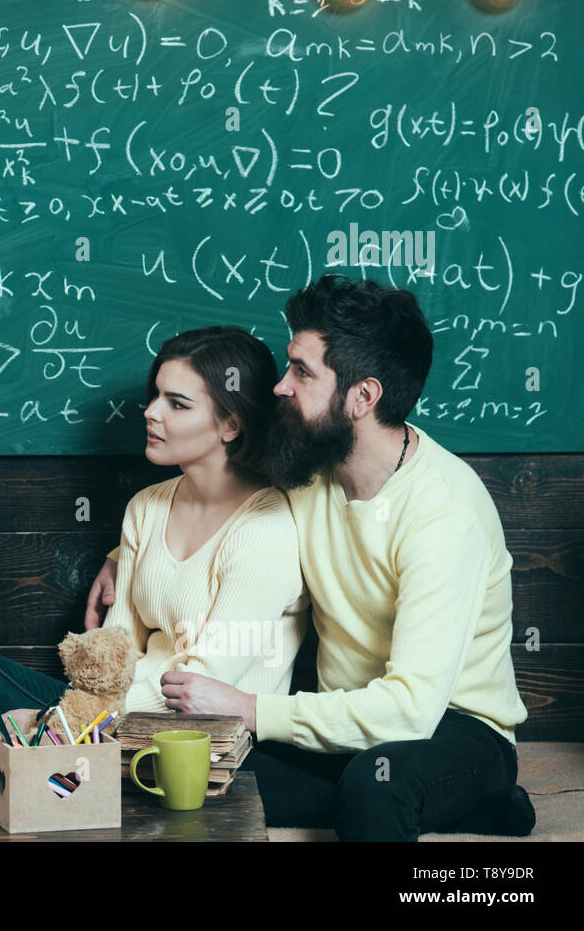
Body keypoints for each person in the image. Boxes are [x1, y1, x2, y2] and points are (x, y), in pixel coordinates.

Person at [161, 274, 534, 841]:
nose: (281, 387)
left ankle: (474, 793)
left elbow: (412, 710)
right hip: (347, 724)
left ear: (363, 397)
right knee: (205, 769)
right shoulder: (306, 462)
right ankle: (480, 811)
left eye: (303, 372)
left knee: (376, 788)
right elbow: (219, 499)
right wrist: (123, 556)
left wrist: (251, 709)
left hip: (454, 727)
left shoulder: (444, 511)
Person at [0, 327, 307, 758]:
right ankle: (45, 760)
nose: (151, 412)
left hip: (196, 741)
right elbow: (115, 652)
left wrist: (51, 722)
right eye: (156, 396)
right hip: (113, 717)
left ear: (231, 424)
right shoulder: (147, 506)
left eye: (177, 404)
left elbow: (202, 687)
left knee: (27, 733)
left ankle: (42, 758)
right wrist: (66, 715)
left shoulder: (265, 526)